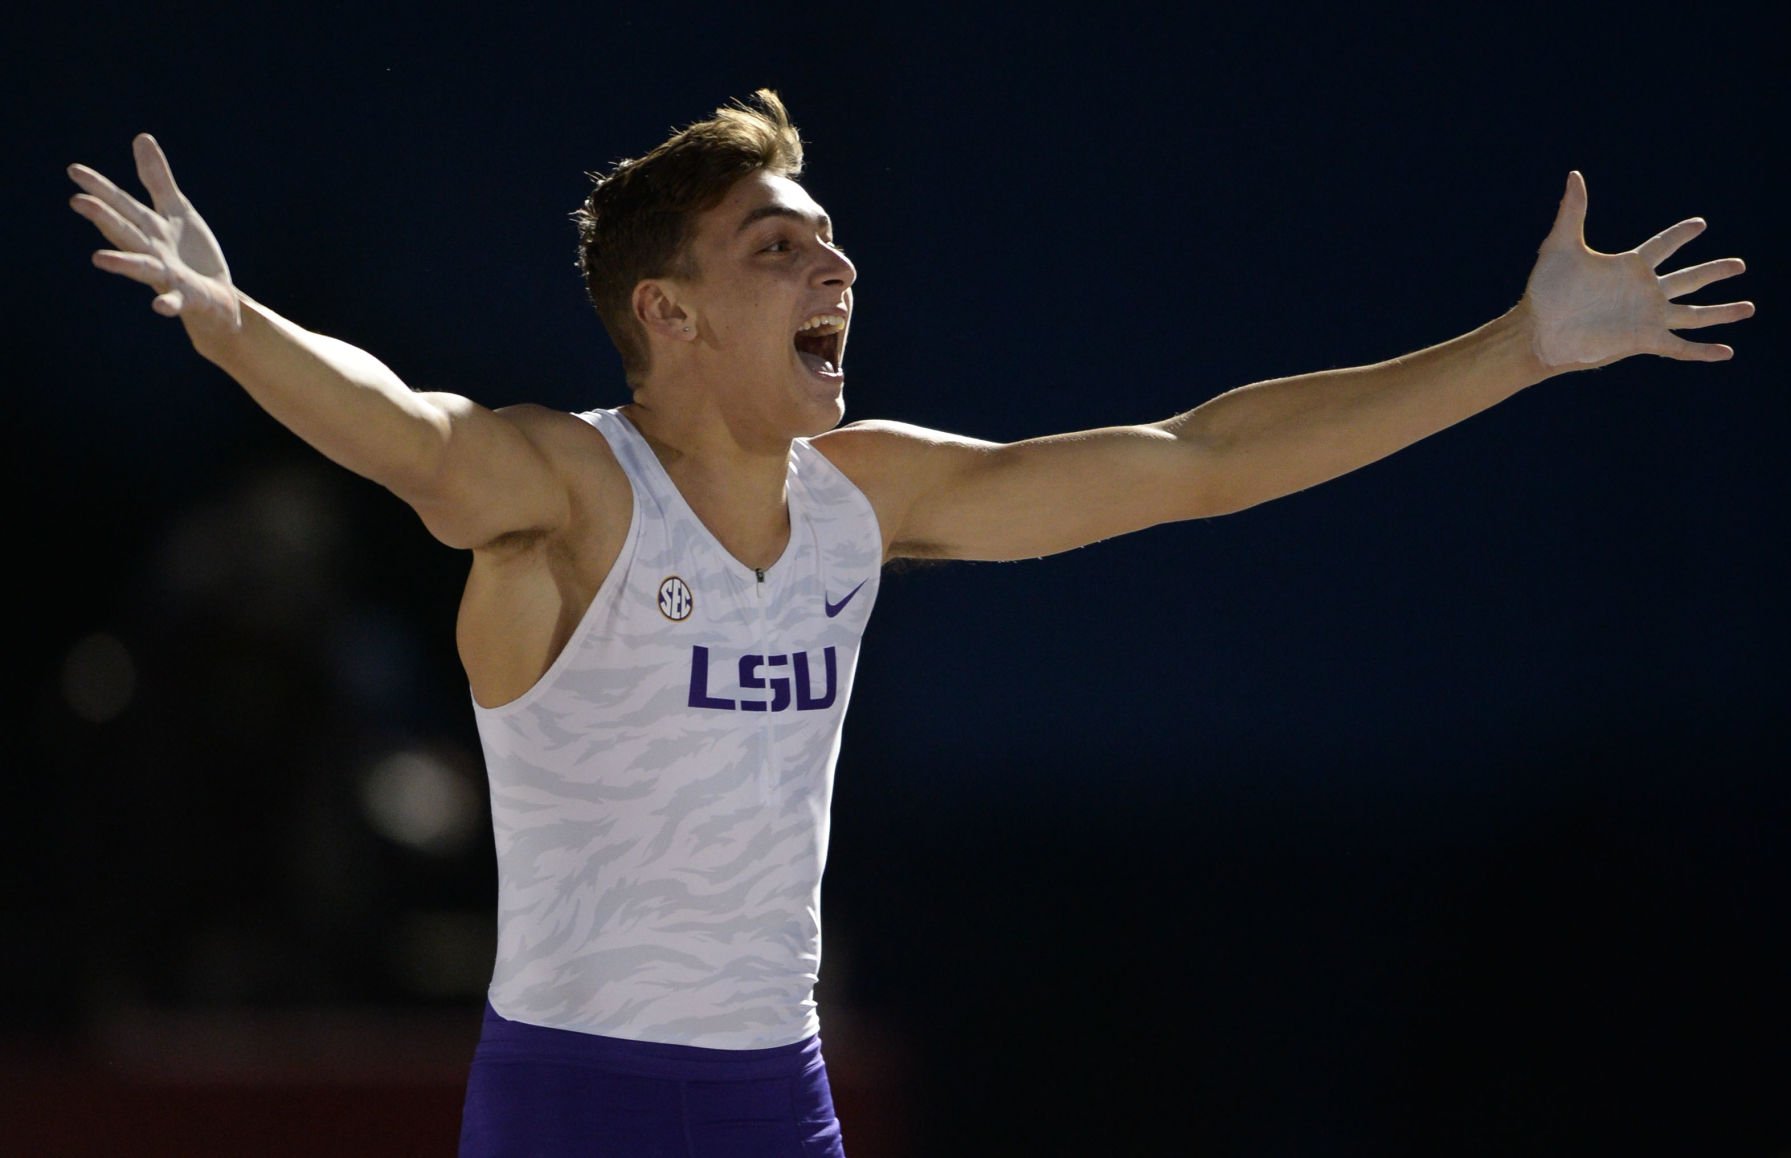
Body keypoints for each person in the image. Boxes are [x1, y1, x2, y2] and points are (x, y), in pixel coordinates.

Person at [67, 90, 1751, 1157]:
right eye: (781, 247)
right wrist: (233, 327)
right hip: (571, 1102)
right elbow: (410, 430)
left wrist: (1518, 346)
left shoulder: (871, 496)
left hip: (773, 1099)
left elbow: (1202, 461)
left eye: (833, 240)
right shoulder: (568, 493)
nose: (837, 269)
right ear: (669, 311)